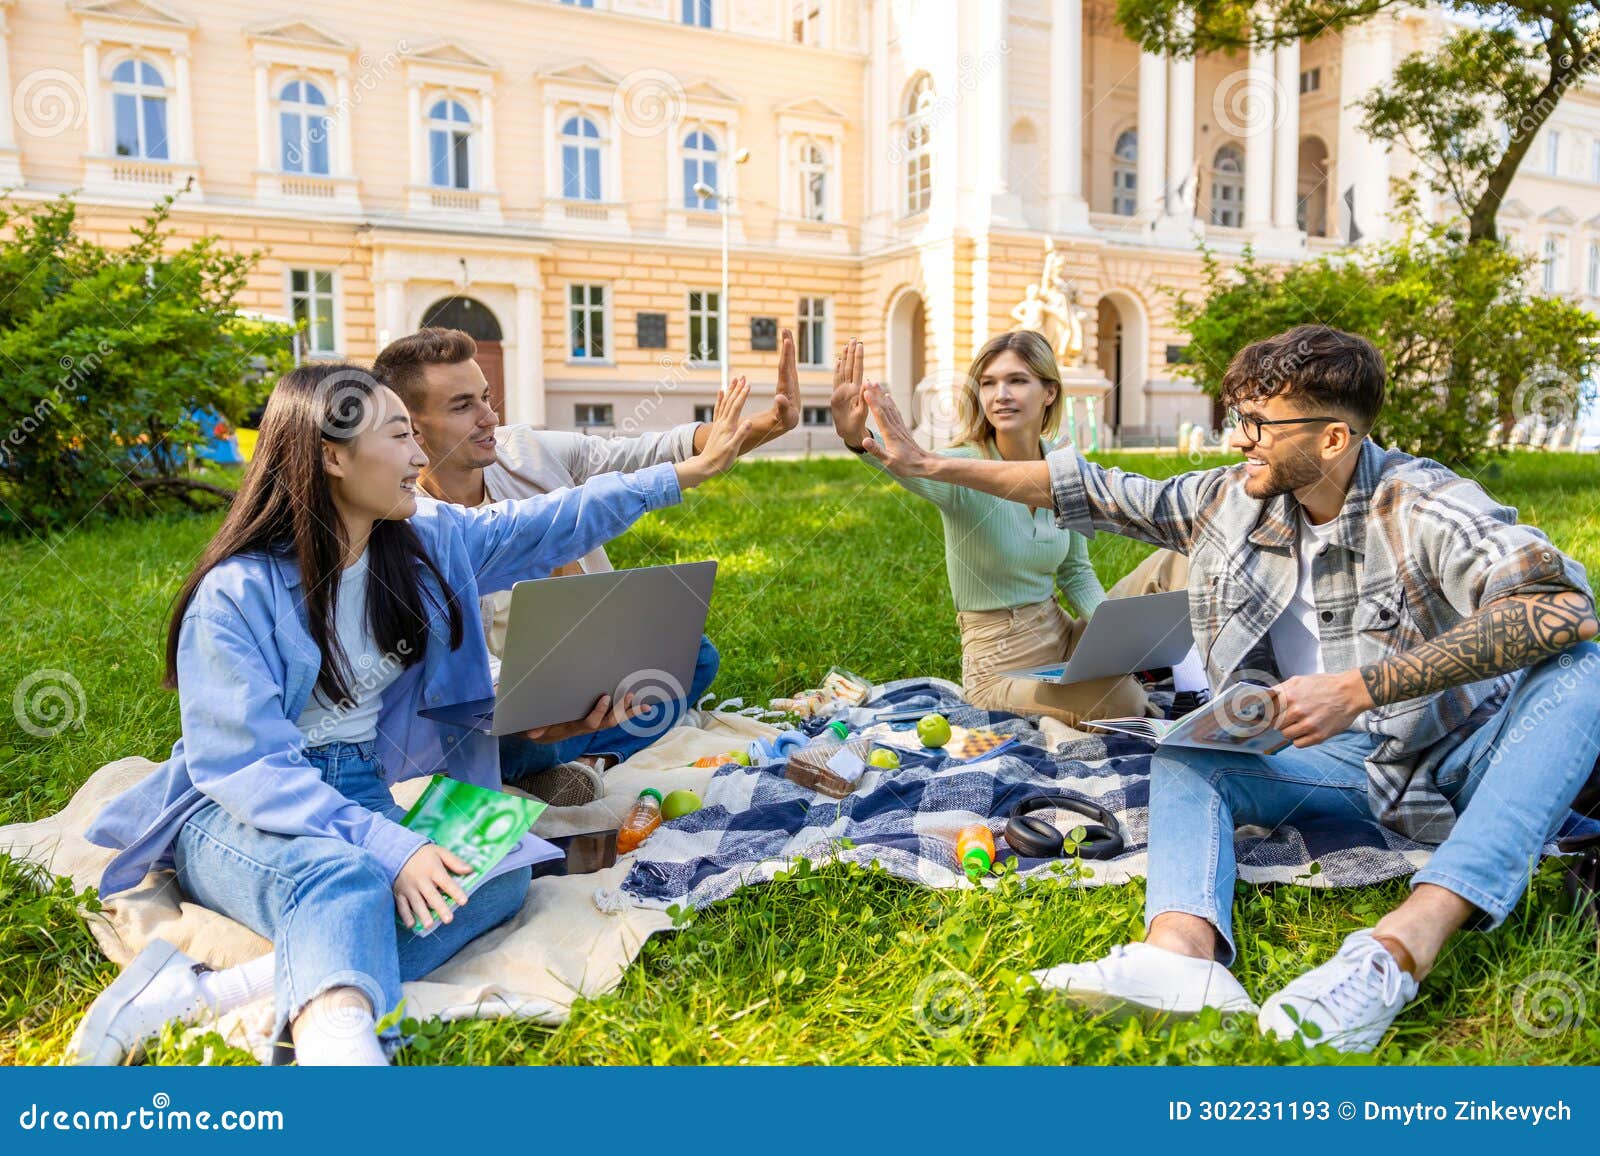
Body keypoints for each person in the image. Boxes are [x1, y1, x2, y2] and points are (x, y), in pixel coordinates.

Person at [856, 323, 1600, 1053]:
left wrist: (1361, 687)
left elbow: (1561, 608)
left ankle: (1398, 949)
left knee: (1585, 671)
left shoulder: (1421, 504)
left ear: (1332, 440)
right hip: (1351, 771)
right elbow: (1091, 489)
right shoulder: (1231, 499)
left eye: (1258, 423)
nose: (1238, 438)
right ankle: (1180, 958)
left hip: (1470, 751)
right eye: (1237, 418)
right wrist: (928, 465)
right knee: (1188, 752)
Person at [70, 363, 753, 1066]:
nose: (421, 457)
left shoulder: (425, 542)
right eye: (399, 436)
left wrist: (681, 473)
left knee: (499, 873)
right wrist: (393, 848)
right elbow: (245, 770)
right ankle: (345, 1055)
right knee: (350, 879)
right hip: (236, 812)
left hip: (357, 786)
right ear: (332, 456)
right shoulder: (234, 594)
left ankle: (202, 993)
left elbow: (547, 523)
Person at [372, 327, 800, 806]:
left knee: (693, 656)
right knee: (496, 739)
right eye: (462, 405)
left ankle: (589, 762)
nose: (489, 417)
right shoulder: (402, 527)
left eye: (487, 398)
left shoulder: (524, 452)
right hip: (500, 707)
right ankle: (554, 760)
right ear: (410, 425)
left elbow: (642, 455)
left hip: (582, 661)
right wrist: (537, 705)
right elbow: (443, 685)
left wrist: (764, 426)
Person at [830, 330, 1175, 727]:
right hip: (999, 668)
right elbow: (906, 465)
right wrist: (857, 437)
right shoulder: (959, 466)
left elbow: (1075, 571)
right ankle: (1120, 687)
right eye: (989, 383)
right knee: (1123, 700)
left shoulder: (1064, 464)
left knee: (1172, 561)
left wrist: (1115, 635)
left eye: (1017, 380)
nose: (1000, 395)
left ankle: (1206, 674)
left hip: (1062, 637)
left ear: (1049, 392)